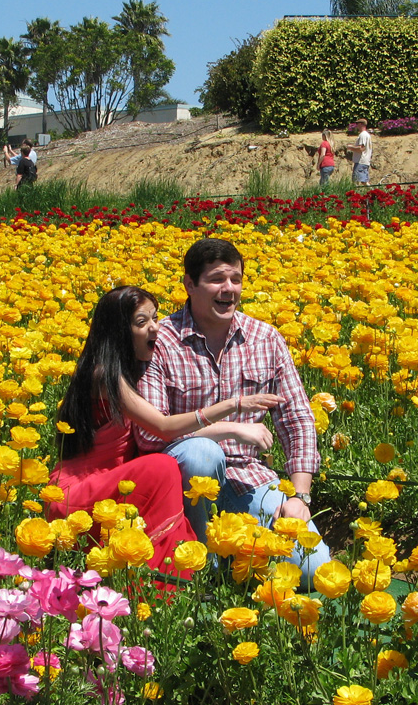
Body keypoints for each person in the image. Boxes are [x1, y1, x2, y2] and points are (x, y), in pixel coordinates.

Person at [46, 285, 281, 580]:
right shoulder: (105, 375)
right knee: (161, 467)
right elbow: (163, 427)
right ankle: (169, 576)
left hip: (115, 485)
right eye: (142, 322)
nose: (155, 328)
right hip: (80, 494)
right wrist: (234, 406)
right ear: (119, 331)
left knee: (159, 466)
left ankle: (174, 568)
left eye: (155, 318)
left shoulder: (131, 370)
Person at [136, 238, 333, 587]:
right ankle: (202, 568)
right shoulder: (161, 340)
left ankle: (233, 559)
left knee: (312, 571)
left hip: (248, 477)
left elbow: (297, 419)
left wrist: (300, 496)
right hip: (181, 481)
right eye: (216, 279)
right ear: (190, 284)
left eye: (236, 279)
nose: (229, 289)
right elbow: (151, 435)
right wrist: (229, 428)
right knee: (202, 454)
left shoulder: (265, 338)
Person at [346, 118, 372, 186]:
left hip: (360, 161)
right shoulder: (367, 135)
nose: (356, 125)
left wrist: (350, 147)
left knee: (355, 181)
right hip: (365, 161)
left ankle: (355, 192)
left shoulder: (363, 135)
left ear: (361, 124)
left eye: (357, 124)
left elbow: (361, 148)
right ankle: (372, 191)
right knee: (364, 182)